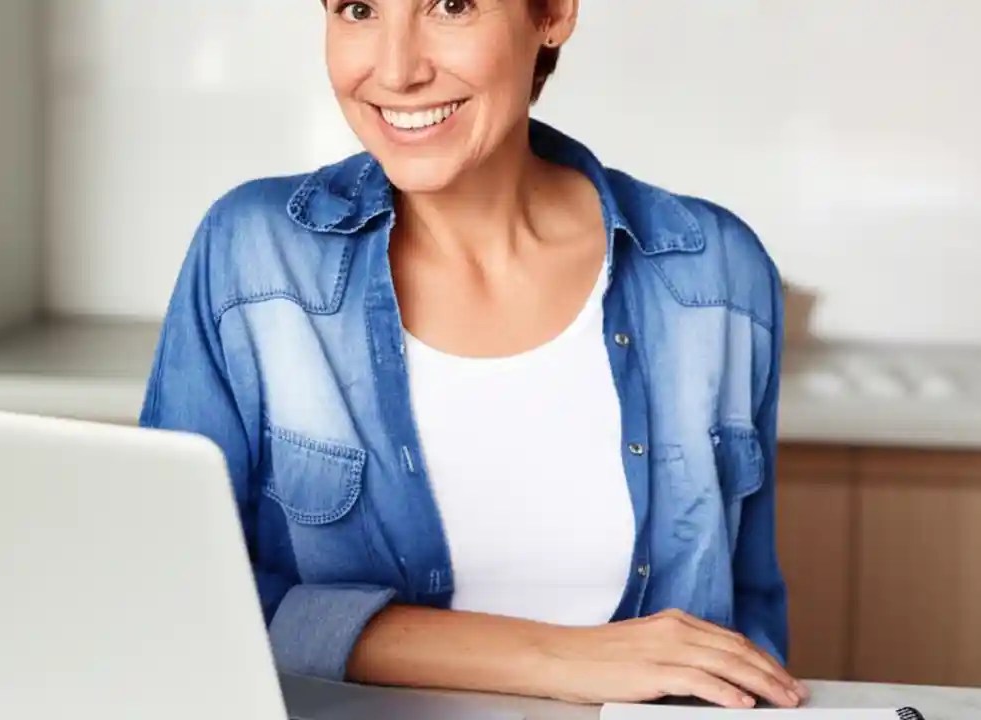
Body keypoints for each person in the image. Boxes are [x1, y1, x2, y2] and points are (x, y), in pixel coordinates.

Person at [140, 0, 808, 709]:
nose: (397, 70)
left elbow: (743, 636)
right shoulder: (253, 258)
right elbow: (169, 598)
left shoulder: (713, 273)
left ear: (553, 14)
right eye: (358, 9)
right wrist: (555, 657)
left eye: (451, 6)